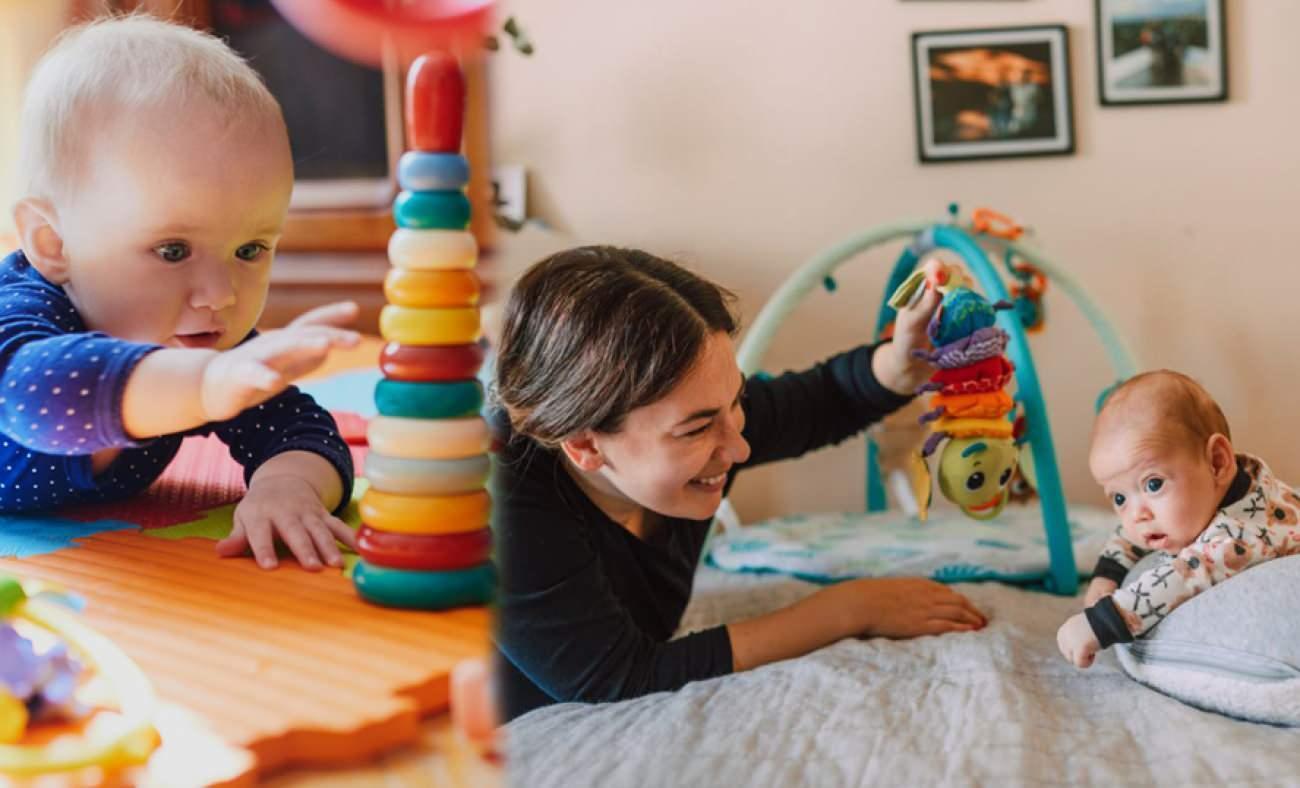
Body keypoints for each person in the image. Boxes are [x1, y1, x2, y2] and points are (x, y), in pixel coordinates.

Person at [491, 246, 988, 721]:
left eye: (737, 402)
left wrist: (902, 363)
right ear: (585, 445)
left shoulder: (707, 426)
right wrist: (848, 608)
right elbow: (620, 678)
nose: (741, 447)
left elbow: (823, 399)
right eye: (697, 428)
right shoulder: (494, 506)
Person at [2, 15, 361, 570]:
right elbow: (33, 397)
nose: (219, 295)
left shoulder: (204, 347)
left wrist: (288, 486)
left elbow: (303, 430)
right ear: (54, 244)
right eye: (173, 250)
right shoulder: (23, 318)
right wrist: (205, 386)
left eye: (250, 250)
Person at [1057, 370, 1300, 668]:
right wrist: (1108, 573)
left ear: (1217, 462)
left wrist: (1103, 621)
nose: (1137, 515)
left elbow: (1186, 574)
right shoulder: (1174, 508)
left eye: (1153, 484)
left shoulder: (1241, 534)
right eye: (1119, 498)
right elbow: (1129, 532)